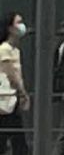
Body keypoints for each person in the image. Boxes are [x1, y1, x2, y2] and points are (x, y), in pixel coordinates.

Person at [0, 12, 30, 155]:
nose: (22, 26)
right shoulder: (4, 49)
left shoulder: (15, 50)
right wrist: (22, 92)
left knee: (14, 136)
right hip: (5, 98)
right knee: (15, 137)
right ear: (10, 28)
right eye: (19, 22)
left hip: (12, 99)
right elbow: (10, 73)